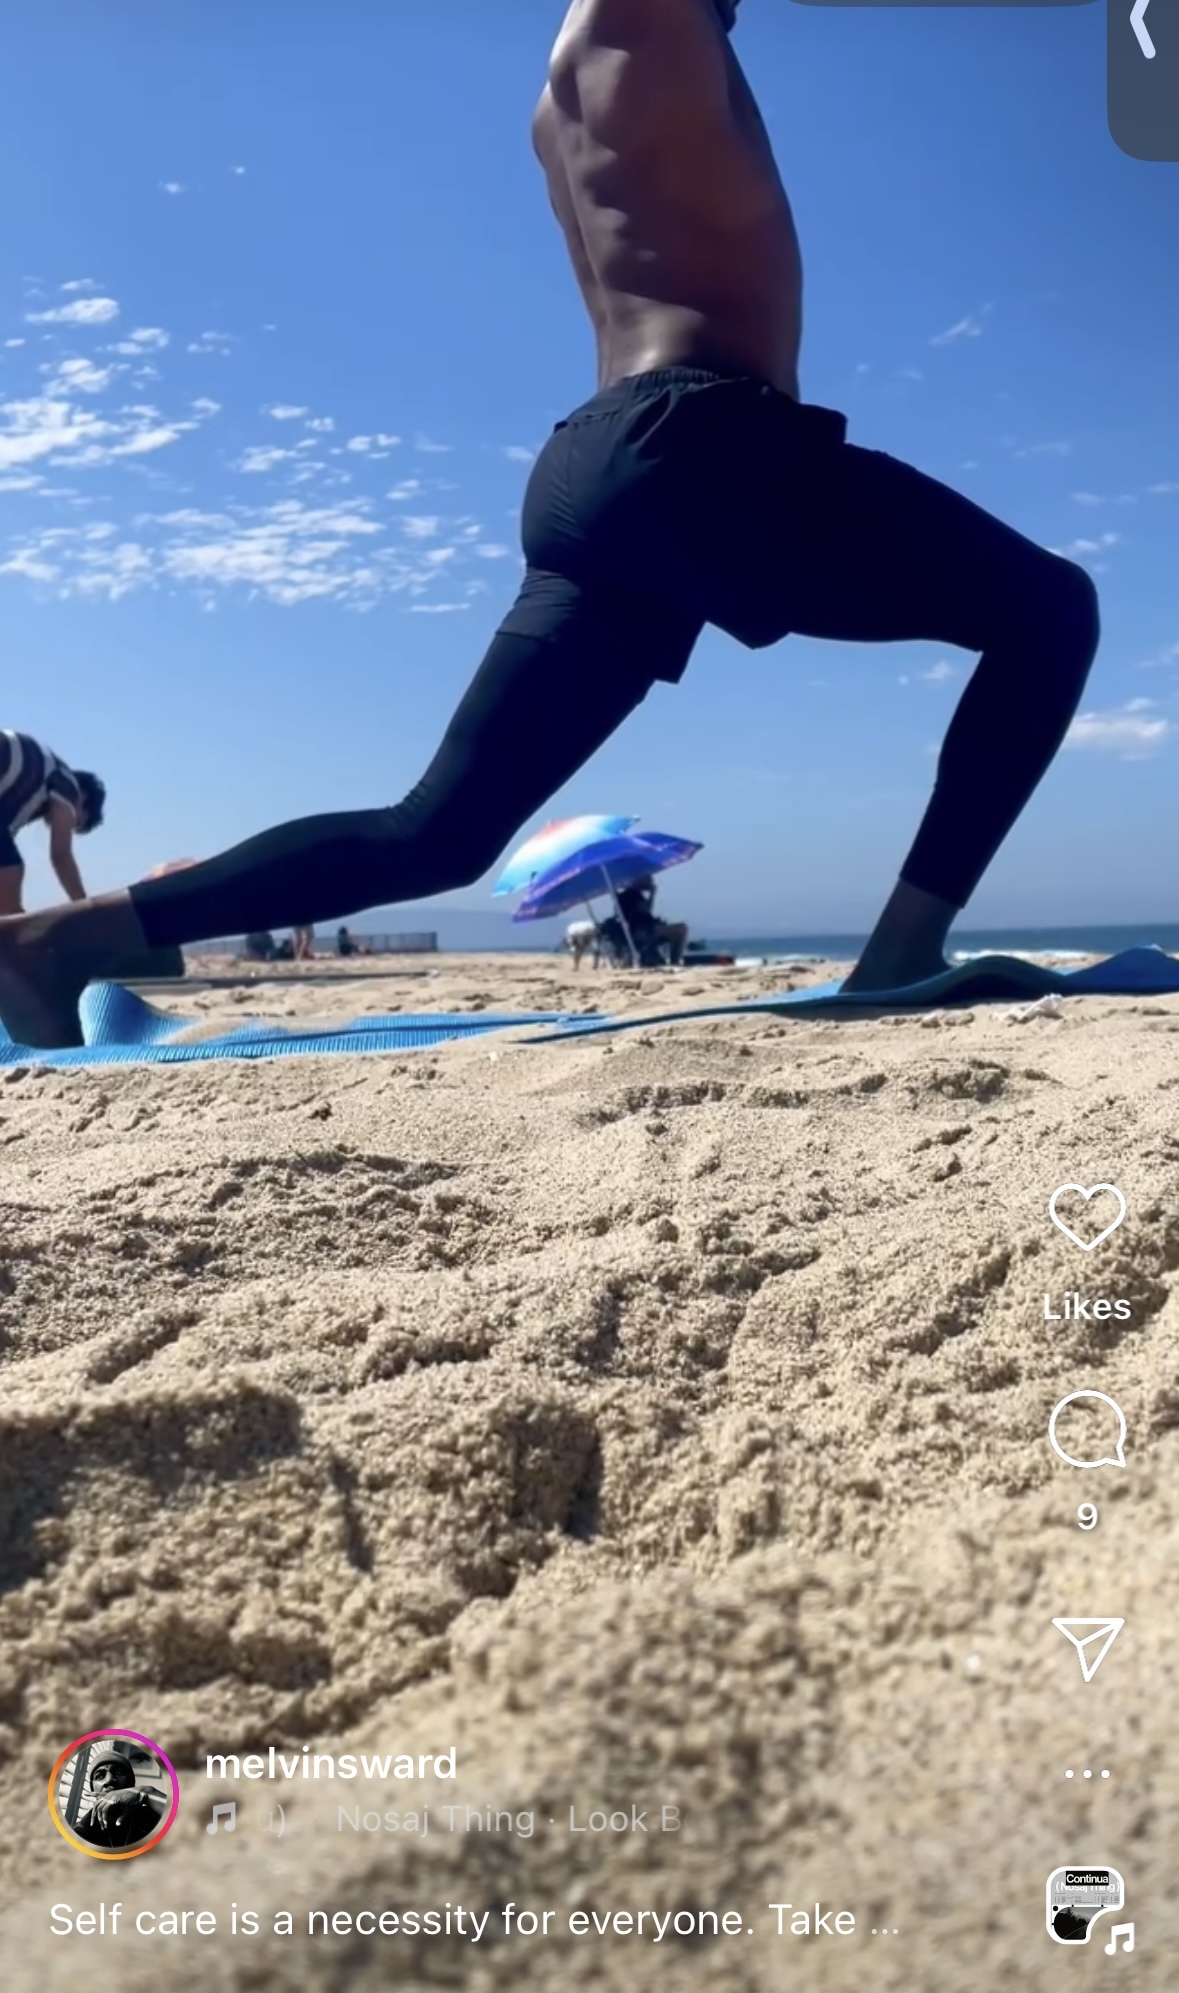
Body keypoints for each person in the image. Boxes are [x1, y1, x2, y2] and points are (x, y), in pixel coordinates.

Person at [0, 0, 1099, 1047]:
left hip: (605, 464)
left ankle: (58, 943)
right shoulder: (643, 17)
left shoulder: (557, 97)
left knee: (437, 833)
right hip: (705, 440)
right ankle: (901, 952)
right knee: (1050, 611)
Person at [0, 730, 105, 917]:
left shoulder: (24, 795)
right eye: (74, 822)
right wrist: (84, 906)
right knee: (11, 870)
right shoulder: (68, 786)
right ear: (82, 799)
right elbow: (60, 855)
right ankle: (9, 924)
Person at [71, 1750, 167, 1851]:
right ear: (93, 1789)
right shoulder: (80, 1833)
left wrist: (147, 1793)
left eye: (119, 1772)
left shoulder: (154, 1817)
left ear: (131, 1782)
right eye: (100, 1776)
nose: (109, 1780)